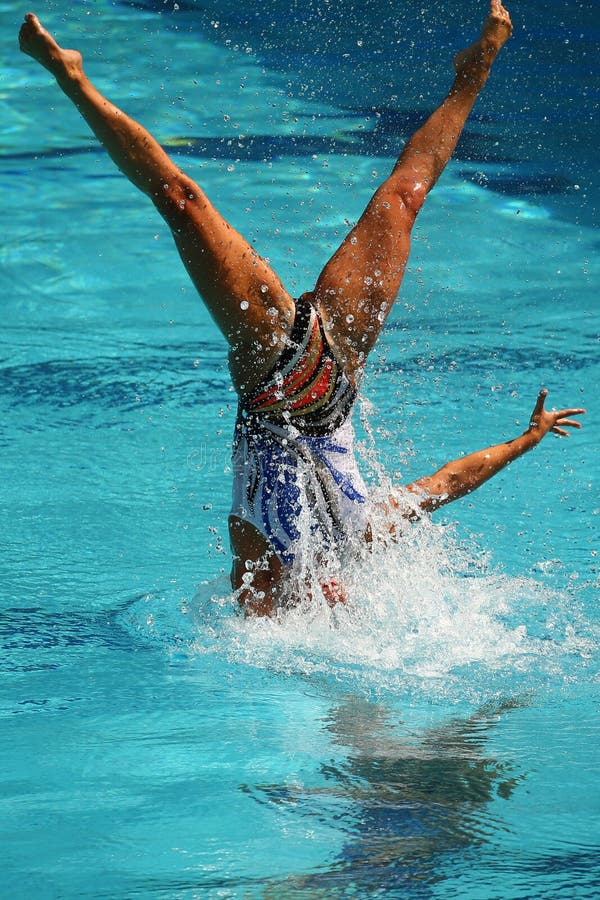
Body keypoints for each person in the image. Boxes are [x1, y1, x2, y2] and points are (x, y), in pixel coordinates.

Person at [19, 4, 585, 616]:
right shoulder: (364, 535)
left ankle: (70, 77)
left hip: (268, 372)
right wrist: (527, 440)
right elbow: (448, 483)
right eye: (343, 598)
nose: (336, 595)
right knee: (404, 196)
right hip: (335, 367)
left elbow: (256, 646)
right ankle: (472, 73)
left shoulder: (261, 585)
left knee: (183, 203)